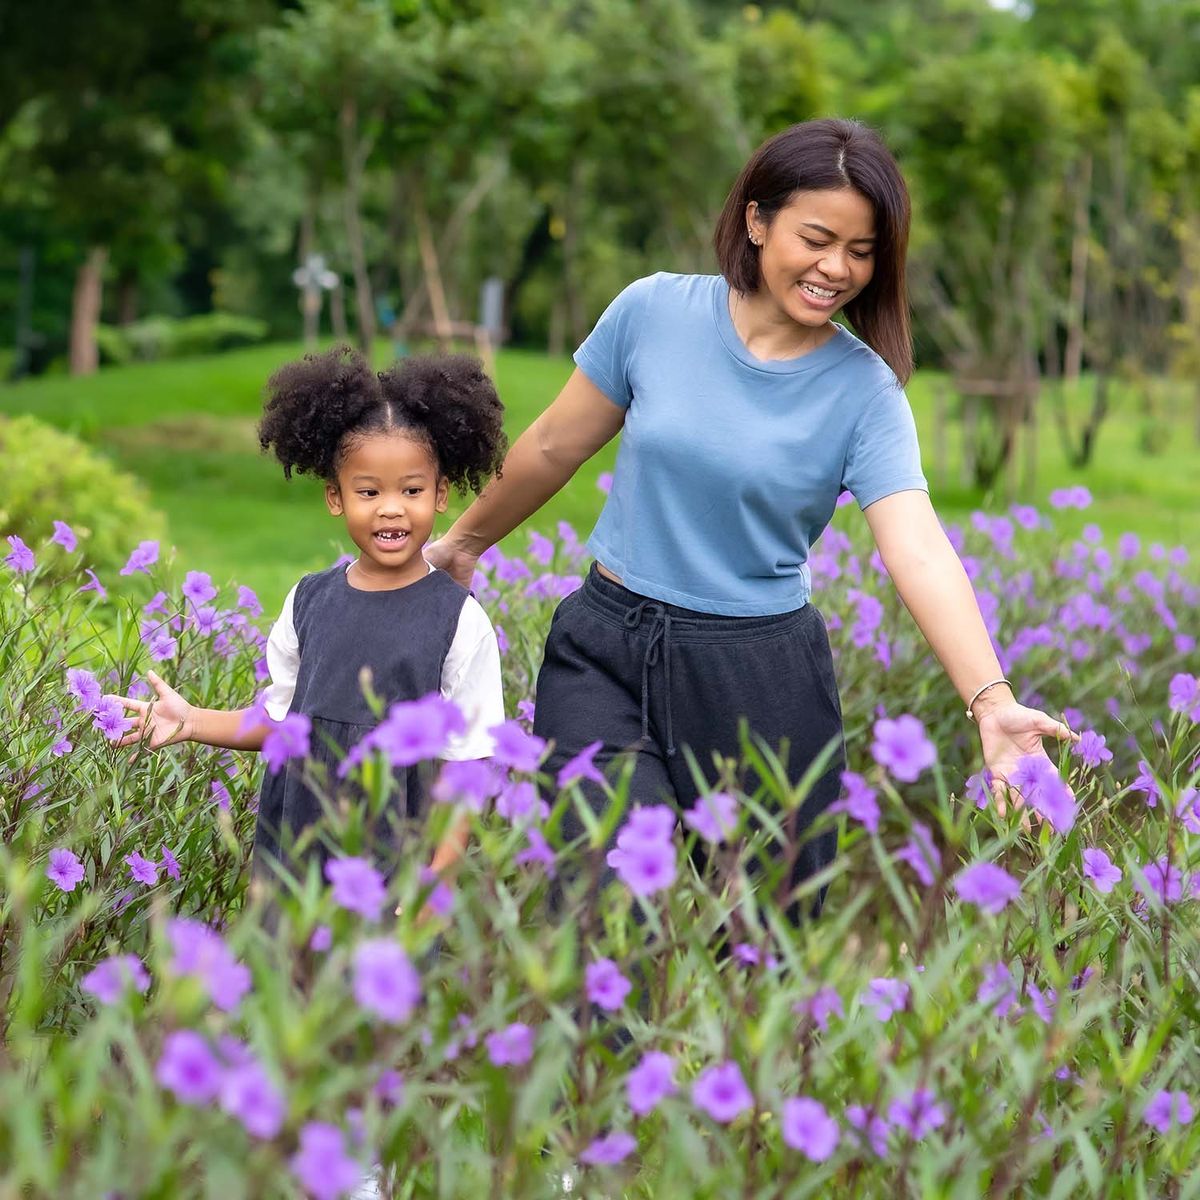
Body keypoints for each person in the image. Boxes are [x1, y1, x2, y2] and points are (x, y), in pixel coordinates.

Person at [426, 118, 1074, 910]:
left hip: (760, 682)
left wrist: (992, 700)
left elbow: (918, 549)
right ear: (757, 220)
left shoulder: (865, 393)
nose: (836, 268)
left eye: (862, 251)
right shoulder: (653, 312)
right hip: (607, 652)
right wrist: (463, 543)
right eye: (817, 237)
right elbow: (556, 445)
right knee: (604, 897)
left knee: (764, 942)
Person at [114, 347, 508, 882]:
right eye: (368, 491)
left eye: (411, 490)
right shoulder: (307, 601)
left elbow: (469, 763)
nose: (391, 507)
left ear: (440, 494)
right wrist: (192, 721)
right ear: (335, 498)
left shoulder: (458, 619)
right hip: (295, 851)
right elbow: (284, 725)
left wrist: (433, 883)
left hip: (396, 862)